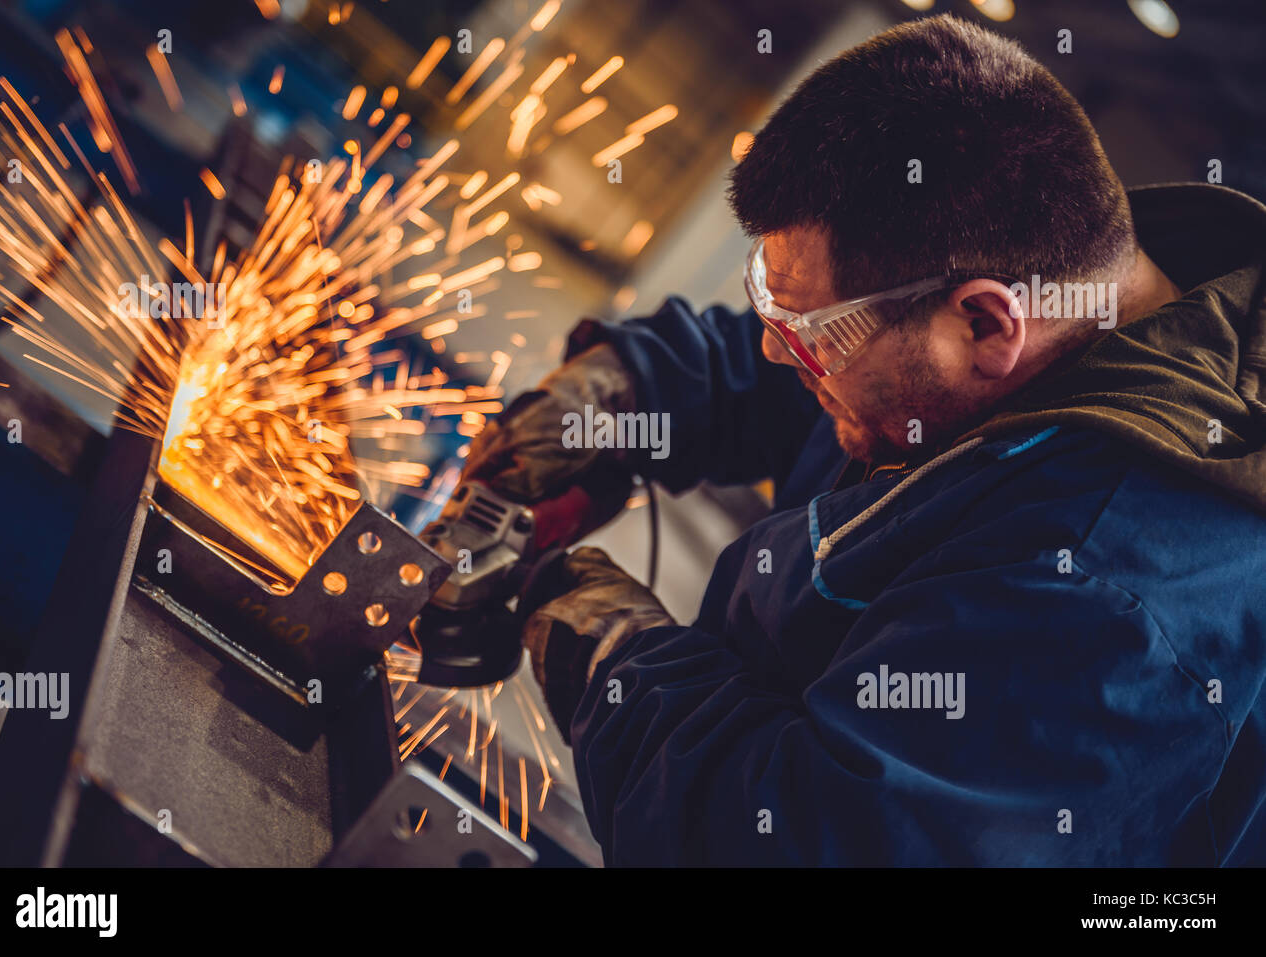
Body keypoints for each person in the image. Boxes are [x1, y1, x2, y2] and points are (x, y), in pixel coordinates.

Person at [449, 14, 1266, 865]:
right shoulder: (1068, 306)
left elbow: (796, 843)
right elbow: (791, 382)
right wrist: (627, 392)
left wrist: (616, 659)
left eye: (809, 338)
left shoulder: (1107, 590)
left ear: (987, 323)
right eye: (773, 305)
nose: (778, 349)